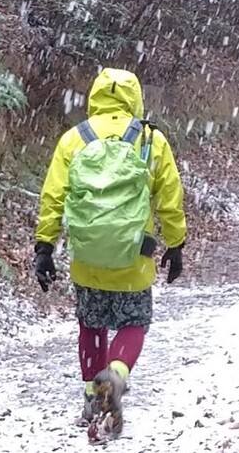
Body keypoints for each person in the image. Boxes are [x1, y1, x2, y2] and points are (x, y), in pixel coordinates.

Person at [33, 66, 187, 436]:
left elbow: (53, 197)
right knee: (134, 323)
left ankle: (91, 394)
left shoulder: (74, 139)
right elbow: (170, 197)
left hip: (88, 253)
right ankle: (115, 376)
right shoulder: (150, 140)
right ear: (134, 99)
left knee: (91, 323)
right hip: (134, 253)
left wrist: (44, 246)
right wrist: (176, 243)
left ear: (94, 97)